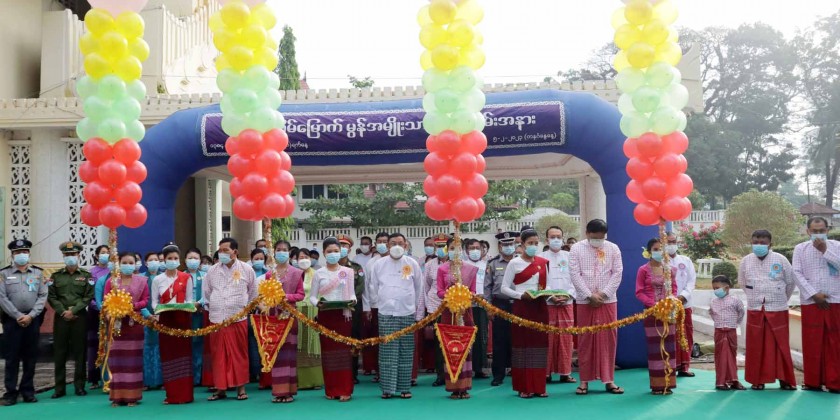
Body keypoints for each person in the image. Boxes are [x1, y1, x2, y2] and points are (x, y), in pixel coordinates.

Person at [570, 219, 624, 395]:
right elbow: (574, 274)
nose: (597, 241)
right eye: (594, 238)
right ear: (587, 233)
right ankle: (584, 381)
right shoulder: (576, 248)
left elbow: (617, 273)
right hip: (585, 300)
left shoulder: (613, 248)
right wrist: (588, 295)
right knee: (585, 339)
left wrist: (604, 294)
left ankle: (609, 380)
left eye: (601, 238)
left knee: (609, 339)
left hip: (608, 300)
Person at [367, 233, 424, 400]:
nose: (397, 246)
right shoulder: (379, 264)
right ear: (388, 246)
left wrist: (416, 310)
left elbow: (418, 288)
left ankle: (404, 388)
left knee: (406, 350)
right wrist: (378, 303)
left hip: (407, 311)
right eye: (393, 243)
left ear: (406, 245)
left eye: (400, 243)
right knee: (387, 351)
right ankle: (387, 389)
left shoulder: (412, 263)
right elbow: (373, 287)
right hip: (386, 312)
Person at [739, 229, 797, 391]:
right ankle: (757, 380)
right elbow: (742, 283)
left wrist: (779, 297)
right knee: (756, 345)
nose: (759, 245)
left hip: (777, 307)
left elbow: (790, 283)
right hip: (755, 308)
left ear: (770, 244)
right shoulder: (746, 261)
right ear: (751, 242)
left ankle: (785, 380)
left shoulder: (781, 259)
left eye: (763, 243)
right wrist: (755, 296)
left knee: (780, 344)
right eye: (755, 242)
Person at [501, 227, 555, 399]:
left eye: (536, 243)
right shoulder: (514, 263)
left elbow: (547, 287)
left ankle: (539, 386)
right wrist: (520, 295)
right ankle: (524, 386)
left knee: (539, 346)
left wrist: (552, 297)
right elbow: (503, 288)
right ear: (522, 244)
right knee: (523, 346)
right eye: (530, 243)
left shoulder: (542, 262)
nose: (533, 246)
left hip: (540, 307)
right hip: (522, 307)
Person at [204, 238, 257, 402]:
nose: (222, 253)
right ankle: (220, 389)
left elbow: (253, 294)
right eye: (220, 250)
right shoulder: (212, 270)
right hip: (217, 319)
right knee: (218, 355)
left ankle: (241, 388)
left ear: (235, 252)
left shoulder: (247, 269)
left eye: (226, 250)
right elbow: (207, 293)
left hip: (237, 318)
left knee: (238, 354)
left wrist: (243, 309)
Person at [792, 217, 840, 393]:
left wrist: (825, 250)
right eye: (814, 231)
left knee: (835, 343)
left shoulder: (837, 246)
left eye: (821, 230)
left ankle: (835, 382)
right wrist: (814, 294)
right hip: (811, 301)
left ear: (828, 230)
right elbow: (796, 273)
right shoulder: (800, 249)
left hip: (836, 300)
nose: (818, 234)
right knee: (812, 342)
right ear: (808, 232)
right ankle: (813, 381)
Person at [0, 239, 48, 406]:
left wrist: (31, 315)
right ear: (12, 255)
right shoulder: (4, 274)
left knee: (31, 357)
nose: (21, 255)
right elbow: (2, 297)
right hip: (12, 321)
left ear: (28, 253)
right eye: (18, 252)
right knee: (11, 358)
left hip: (32, 320)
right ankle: (10, 393)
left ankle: (28, 391)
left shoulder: (38, 273)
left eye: (24, 252)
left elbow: (42, 296)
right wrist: (18, 315)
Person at [311, 237, 357, 402]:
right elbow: (312, 297)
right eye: (329, 251)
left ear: (341, 252)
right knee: (328, 353)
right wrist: (319, 304)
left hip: (343, 316)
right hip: (326, 316)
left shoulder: (347, 272)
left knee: (343, 353)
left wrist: (353, 300)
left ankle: (345, 389)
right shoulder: (319, 273)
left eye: (336, 251)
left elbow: (352, 293)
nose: (333, 254)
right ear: (324, 253)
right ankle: (331, 389)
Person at [48, 241, 95, 399]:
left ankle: (79, 386)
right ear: (63, 256)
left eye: (73, 255)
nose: (70, 257)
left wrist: (73, 310)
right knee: (59, 352)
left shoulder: (86, 276)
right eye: (67, 255)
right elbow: (52, 296)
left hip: (79, 317)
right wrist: (63, 311)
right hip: (61, 318)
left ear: (78, 256)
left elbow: (88, 296)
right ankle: (59, 388)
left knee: (80, 352)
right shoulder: (55, 276)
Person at [104, 252, 150, 407]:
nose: (128, 265)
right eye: (125, 262)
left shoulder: (142, 281)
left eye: (131, 263)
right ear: (119, 264)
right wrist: (114, 310)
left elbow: (145, 301)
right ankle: (117, 396)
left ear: (136, 264)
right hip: (116, 327)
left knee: (132, 362)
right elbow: (106, 300)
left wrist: (132, 307)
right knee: (116, 362)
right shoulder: (112, 282)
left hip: (134, 325)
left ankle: (132, 396)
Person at [262, 239, 305, 403]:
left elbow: (301, 295)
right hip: (273, 317)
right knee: (276, 353)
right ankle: (278, 391)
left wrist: (284, 297)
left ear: (289, 252)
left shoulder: (296, 273)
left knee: (289, 354)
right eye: (278, 249)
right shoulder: (269, 274)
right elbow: (264, 295)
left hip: (290, 315)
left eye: (284, 249)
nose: (281, 252)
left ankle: (289, 391)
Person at [151, 244, 194, 404]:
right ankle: (172, 394)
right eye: (170, 258)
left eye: (175, 258)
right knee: (169, 356)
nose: (173, 261)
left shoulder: (186, 278)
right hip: (166, 321)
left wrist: (185, 307)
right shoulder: (157, 280)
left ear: (179, 260)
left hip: (183, 319)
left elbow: (190, 299)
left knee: (184, 356)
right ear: (164, 260)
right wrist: (161, 309)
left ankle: (186, 395)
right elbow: (154, 302)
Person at [635, 238, 678, 395]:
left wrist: (670, 302)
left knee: (669, 348)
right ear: (649, 251)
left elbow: (674, 289)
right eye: (656, 249)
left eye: (662, 249)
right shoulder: (643, 270)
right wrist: (653, 304)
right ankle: (657, 385)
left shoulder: (671, 270)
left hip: (668, 313)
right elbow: (639, 292)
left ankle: (669, 383)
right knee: (655, 349)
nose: (659, 251)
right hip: (652, 313)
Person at [436, 237, 478, 399]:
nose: (456, 251)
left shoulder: (470, 269)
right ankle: (453, 387)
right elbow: (439, 291)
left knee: (465, 348)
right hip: (448, 312)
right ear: (447, 249)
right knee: (450, 347)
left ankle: (465, 387)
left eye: (458, 248)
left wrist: (464, 296)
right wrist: (451, 295)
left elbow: (473, 291)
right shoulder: (442, 269)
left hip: (465, 312)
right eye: (452, 248)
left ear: (463, 250)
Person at [540, 226, 577, 385]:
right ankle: (546, 372)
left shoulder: (570, 256)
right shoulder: (540, 258)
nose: (555, 239)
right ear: (547, 239)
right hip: (548, 303)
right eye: (552, 237)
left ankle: (565, 372)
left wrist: (567, 294)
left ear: (563, 238)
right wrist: (551, 296)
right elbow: (539, 281)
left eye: (558, 236)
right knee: (547, 338)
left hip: (566, 302)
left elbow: (576, 278)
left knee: (565, 337)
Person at [485, 231, 519, 386]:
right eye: (505, 244)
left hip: (519, 304)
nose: (508, 247)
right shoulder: (492, 264)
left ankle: (517, 371)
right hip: (500, 305)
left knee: (518, 339)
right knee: (499, 340)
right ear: (499, 246)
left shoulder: (520, 262)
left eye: (511, 244)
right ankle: (498, 375)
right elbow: (487, 287)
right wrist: (488, 307)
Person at [665, 232, 697, 377]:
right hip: (667, 305)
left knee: (686, 334)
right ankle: (671, 366)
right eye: (668, 242)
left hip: (685, 304)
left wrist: (683, 296)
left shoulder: (686, 260)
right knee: (669, 334)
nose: (671, 245)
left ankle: (684, 367)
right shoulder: (660, 262)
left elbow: (691, 281)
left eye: (673, 242)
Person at [708, 275, 746, 391]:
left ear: (727, 288)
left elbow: (741, 313)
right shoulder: (713, 302)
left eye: (717, 288)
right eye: (714, 289)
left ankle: (733, 380)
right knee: (720, 356)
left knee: (731, 355)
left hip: (731, 331)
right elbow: (712, 314)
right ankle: (721, 382)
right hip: (719, 331)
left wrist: (733, 323)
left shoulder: (735, 300)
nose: (715, 291)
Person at [337, 234, 366, 385]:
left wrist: (348, 300)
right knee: (336, 340)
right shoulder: (329, 267)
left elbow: (360, 288)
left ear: (350, 248)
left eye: (345, 246)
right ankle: (338, 373)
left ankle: (353, 373)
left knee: (354, 339)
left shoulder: (356, 268)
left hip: (353, 308)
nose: (342, 249)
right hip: (334, 309)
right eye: (339, 245)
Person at [361, 232, 390, 381]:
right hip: (375, 305)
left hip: (392, 307)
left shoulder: (396, 261)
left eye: (385, 241)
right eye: (379, 241)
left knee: (389, 340)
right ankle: (378, 371)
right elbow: (366, 287)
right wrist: (367, 308)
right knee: (376, 340)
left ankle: (389, 372)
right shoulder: (371, 263)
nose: (382, 244)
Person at [294, 248, 325, 390]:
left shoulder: (316, 274)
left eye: (306, 256)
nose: (303, 260)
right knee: (297, 344)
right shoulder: (293, 274)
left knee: (313, 344)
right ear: (295, 260)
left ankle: (314, 380)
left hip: (312, 311)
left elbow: (320, 294)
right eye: (300, 257)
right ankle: (298, 380)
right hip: (295, 311)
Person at [425, 233, 450, 386]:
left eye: (443, 246)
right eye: (438, 246)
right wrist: (427, 309)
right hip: (435, 307)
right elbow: (426, 287)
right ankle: (441, 374)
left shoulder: (457, 263)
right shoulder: (430, 265)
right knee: (439, 343)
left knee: (453, 341)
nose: (441, 249)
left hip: (454, 307)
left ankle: (455, 373)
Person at [464, 238, 490, 379]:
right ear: (466, 250)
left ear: (482, 250)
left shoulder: (486, 265)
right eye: (471, 248)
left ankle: (479, 368)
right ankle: (466, 368)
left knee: (481, 337)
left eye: (477, 248)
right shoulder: (462, 265)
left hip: (482, 305)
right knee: (467, 336)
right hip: (466, 306)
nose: (475, 251)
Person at [87, 244, 111, 389]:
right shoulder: (91, 273)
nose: (105, 255)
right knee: (95, 344)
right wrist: (100, 306)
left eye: (107, 252)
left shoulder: (114, 271)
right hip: (95, 312)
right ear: (96, 256)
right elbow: (89, 295)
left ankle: (109, 375)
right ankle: (94, 377)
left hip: (112, 312)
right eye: (102, 253)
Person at [141, 251, 164, 390]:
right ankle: (147, 381)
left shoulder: (163, 278)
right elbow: (138, 300)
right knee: (146, 350)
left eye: (157, 259)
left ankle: (162, 380)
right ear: (146, 263)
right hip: (144, 319)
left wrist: (160, 315)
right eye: (151, 260)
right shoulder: (140, 278)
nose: (154, 262)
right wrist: (148, 315)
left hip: (162, 318)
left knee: (161, 349)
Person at [183, 248, 206, 386]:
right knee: (186, 345)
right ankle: (187, 377)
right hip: (185, 314)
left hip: (200, 313)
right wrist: (187, 305)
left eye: (195, 258)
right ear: (185, 260)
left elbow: (209, 292)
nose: (193, 261)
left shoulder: (205, 275)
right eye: (190, 258)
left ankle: (199, 378)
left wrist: (199, 303)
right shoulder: (180, 275)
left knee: (200, 345)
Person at [248, 248, 268, 384]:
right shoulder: (248, 273)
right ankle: (254, 372)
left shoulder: (269, 274)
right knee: (253, 344)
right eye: (256, 258)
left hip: (267, 313)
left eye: (261, 259)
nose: (259, 261)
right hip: (251, 312)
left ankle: (265, 372)